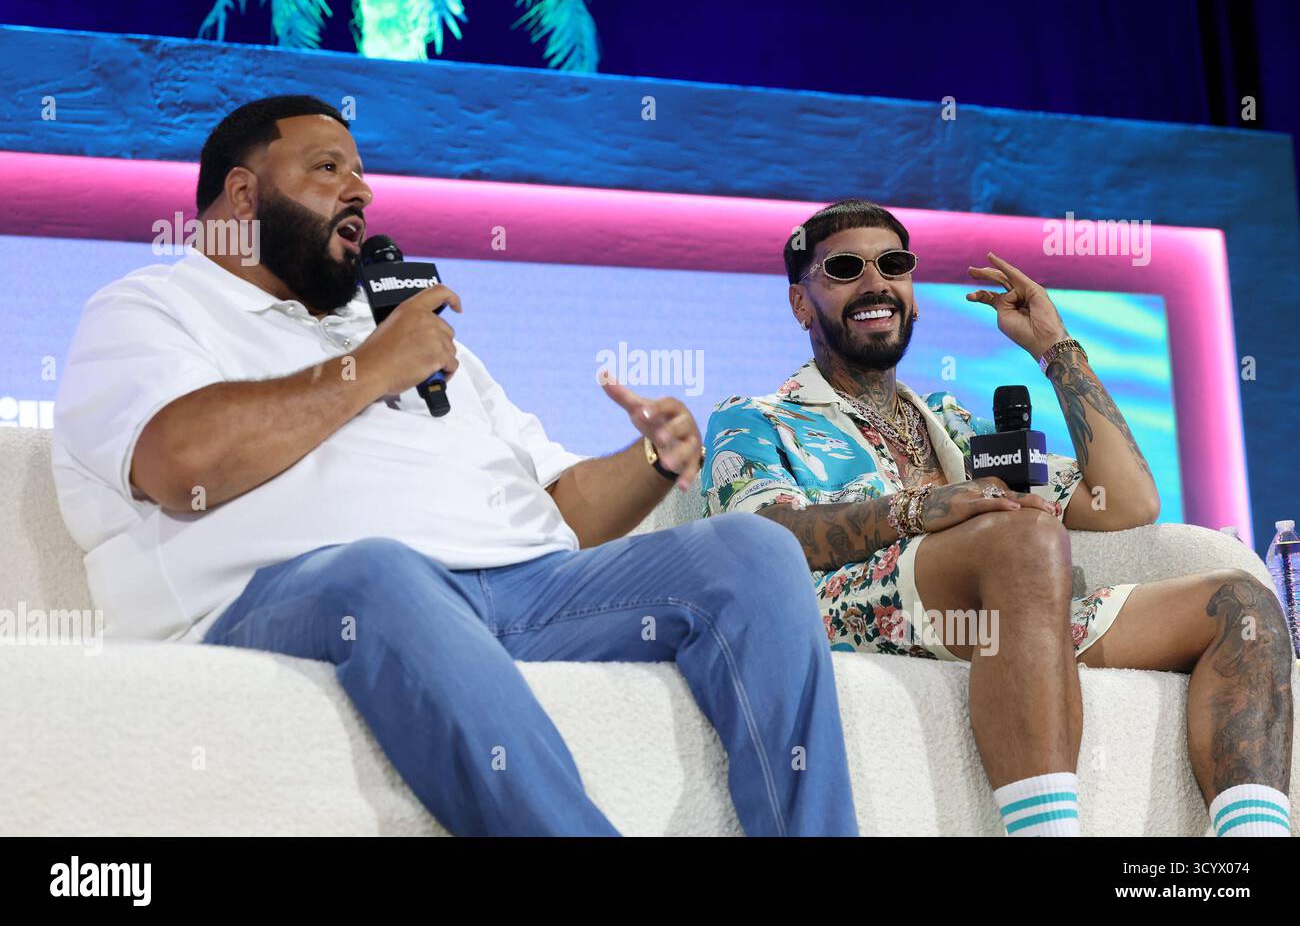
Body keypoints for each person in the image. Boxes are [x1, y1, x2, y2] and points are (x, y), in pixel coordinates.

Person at [51, 95, 859, 837]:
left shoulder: (416, 341)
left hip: (516, 592)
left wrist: (654, 457)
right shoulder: (152, 308)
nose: (360, 193)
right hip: (296, 595)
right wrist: (368, 368)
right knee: (380, 569)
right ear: (241, 194)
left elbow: (558, 515)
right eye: (328, 169)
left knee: (749, 552)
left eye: (364, 175)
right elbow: (178, 463)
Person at [701, 198, 1292, 837]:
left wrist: (1056, 349)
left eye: (892, 264)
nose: (875, 283)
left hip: (1012, 609)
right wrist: (919, 508)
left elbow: (1125, 503)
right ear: (799, 302)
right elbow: (758, 539)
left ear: (912, 291)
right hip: (844, 608)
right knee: (1020, 533)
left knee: (1241, 604)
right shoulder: (756, 419)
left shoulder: (954, 422)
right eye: (844, 269)